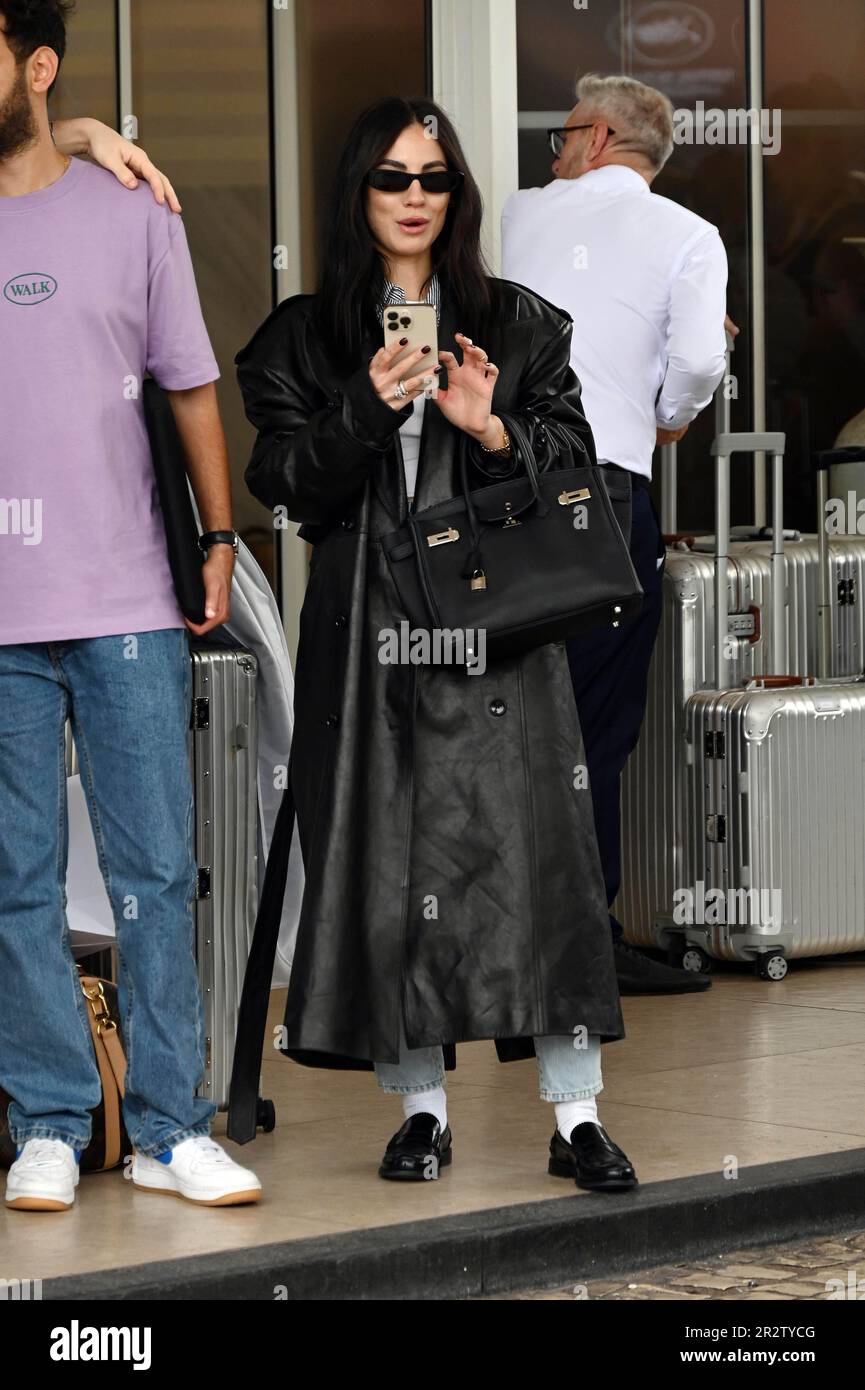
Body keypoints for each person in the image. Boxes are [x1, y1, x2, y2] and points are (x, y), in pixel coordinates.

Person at [231, 96, 635, 1191]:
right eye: (393, 177)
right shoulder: (308, 335)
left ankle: (577, 1114)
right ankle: (420, 1109)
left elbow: (579, 474)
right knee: (386, 858)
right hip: (369, 633)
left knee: (537, 859)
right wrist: (363, 408)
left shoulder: (516, 322)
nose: (415, 197)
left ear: (455, 196)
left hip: (498, 630)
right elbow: (280, 482)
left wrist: (494, 428)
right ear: (358, 191)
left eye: (435, 178)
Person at [0, 0, 260, 1210]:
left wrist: (218, 537)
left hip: (126, 599)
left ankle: (170, 1126)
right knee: (16, 878)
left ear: (34, 65)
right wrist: (93, 127)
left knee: (160, 869)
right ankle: (48, 1121)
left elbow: (194, 389)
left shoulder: (130, 213)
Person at [502, 73, 728, 995]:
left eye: (561, 135)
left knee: (507, 711)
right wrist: (666, 411)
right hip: (602, 491)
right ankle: (580, 939)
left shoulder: (520, 215)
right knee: (596, 719)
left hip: (501, 490)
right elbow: (701, 358)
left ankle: (503, 929)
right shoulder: (688, 235)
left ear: (596, 140)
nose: (552, 153)